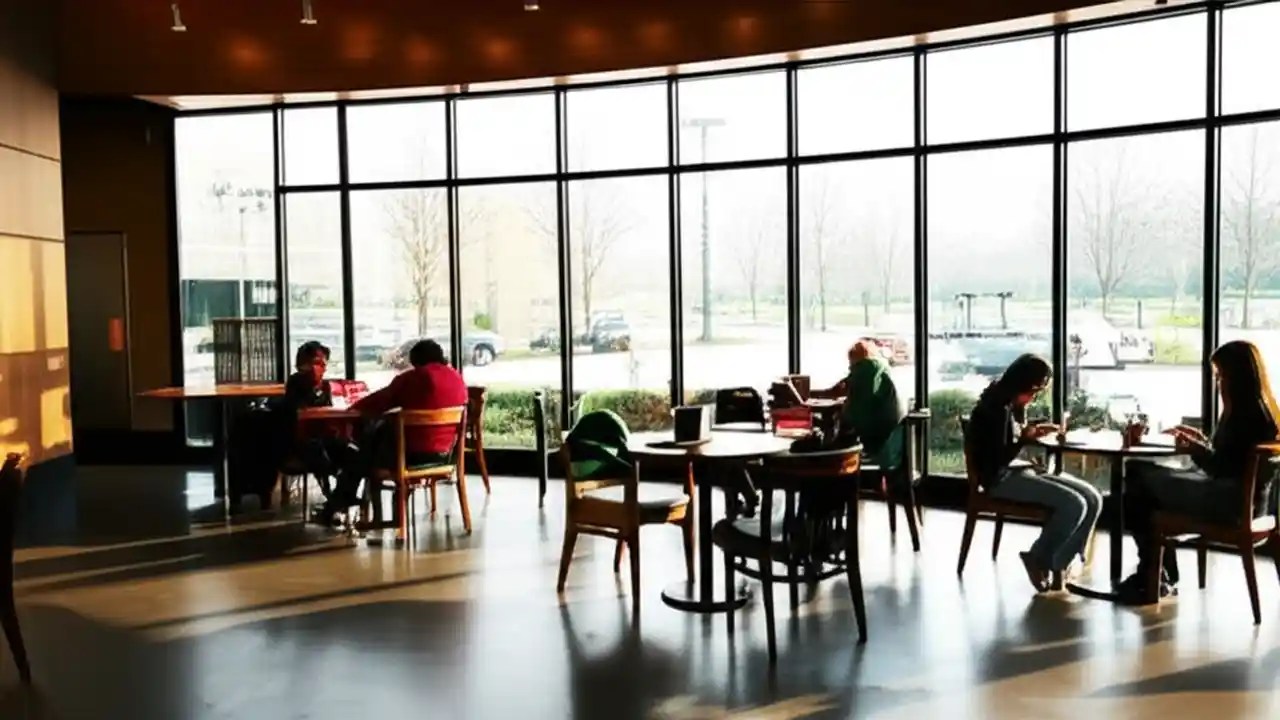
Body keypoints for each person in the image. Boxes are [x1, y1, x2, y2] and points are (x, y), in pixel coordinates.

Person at [1117, 339, 1280, 604]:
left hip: (1227, 503)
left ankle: (1153, 573)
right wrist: (1202, 442)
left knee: (1137, 474)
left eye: (1221, 376)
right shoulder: (1262, 412)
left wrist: (1196, 450)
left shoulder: (1244, 416)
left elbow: (1218, 468)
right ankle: (1157, 574)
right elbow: (1233, 459)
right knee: (1146, 484)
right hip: (1251, 505)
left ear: (1236, 377)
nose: (1219, 383)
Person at [965, 354, 1102, 592]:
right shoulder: (995, 409)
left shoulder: (1009, 403)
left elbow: (1012, 438)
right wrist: (1025, 438)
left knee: (1093, 497)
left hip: (1016, 471)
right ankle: (1039, 558)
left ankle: (1059, 563)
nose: (1035, 396)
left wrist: (1029, 430)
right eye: (1035, 390)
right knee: (1074, 504)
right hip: (999, 479)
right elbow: (998, 457)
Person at [320, 339, 468, 523]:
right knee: (368, 447)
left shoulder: (414, 378)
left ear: (417, 361)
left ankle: (342, 501)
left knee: (362, 451)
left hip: (408, 456)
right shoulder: (457, 379)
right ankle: (343, 499)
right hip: (445, 456)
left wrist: (352, 411)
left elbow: (379, 402)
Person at [813, 339, 906, 467]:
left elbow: (856, 414)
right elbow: (845, 386)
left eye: (851, 363)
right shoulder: (877, 367)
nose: (850, 367)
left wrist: (839, 413)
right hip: (891, 435)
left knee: (827, 451)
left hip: (878, 439)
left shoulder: (868, 368)